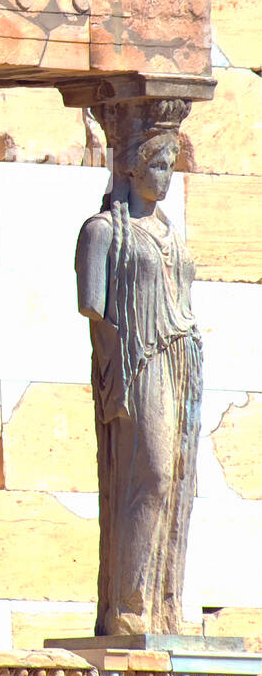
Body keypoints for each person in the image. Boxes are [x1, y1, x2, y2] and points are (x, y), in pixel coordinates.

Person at [75, 130, 201, 636]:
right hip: (136, 359)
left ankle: (160, 603)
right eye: (156, 164)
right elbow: (95, 308)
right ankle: (127, 602)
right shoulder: (101, 231)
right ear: (129, 167)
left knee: (175, 478)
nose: (164, 175)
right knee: (148, 470)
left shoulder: (172, 234)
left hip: (181, 357)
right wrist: (115, 377)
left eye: (171, 165)